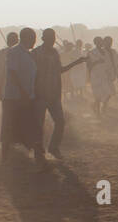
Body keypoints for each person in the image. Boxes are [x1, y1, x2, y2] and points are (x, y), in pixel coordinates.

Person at [33, 28, 87, 159]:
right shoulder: (36, 53)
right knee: (38, 125)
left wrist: (76, 62)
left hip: (54, 94)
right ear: (43, 38)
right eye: (49, 37)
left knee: (60, 122)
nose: (52, 40)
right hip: (40, 94)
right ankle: (38, 151)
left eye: (53, 38)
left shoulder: (54, 53)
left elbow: (60, 70)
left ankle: (53, 147)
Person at [0, 27, 41, 163]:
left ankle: (27, 154)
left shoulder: (27, 53)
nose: (34, 42)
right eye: (33, 39)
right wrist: (23, 91)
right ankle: (5, 156)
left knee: (26, 124)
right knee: (9, 125)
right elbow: (12, 72)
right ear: (25, 38)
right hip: (13, 97)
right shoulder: (14, 52)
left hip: (26, 96)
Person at [87, 37, 117, 115]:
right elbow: (88, 65)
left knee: (109, 93)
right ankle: (98, 112)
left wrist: (111, 73)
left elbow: (109, 64)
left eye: (101, 42)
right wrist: (97, 62)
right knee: (97, 95)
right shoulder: (91, 52)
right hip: (95, 75)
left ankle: (102, 106)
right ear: (95, 43)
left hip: (105, 75)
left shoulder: (105, 52)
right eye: (98, 42)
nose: (100, 43)